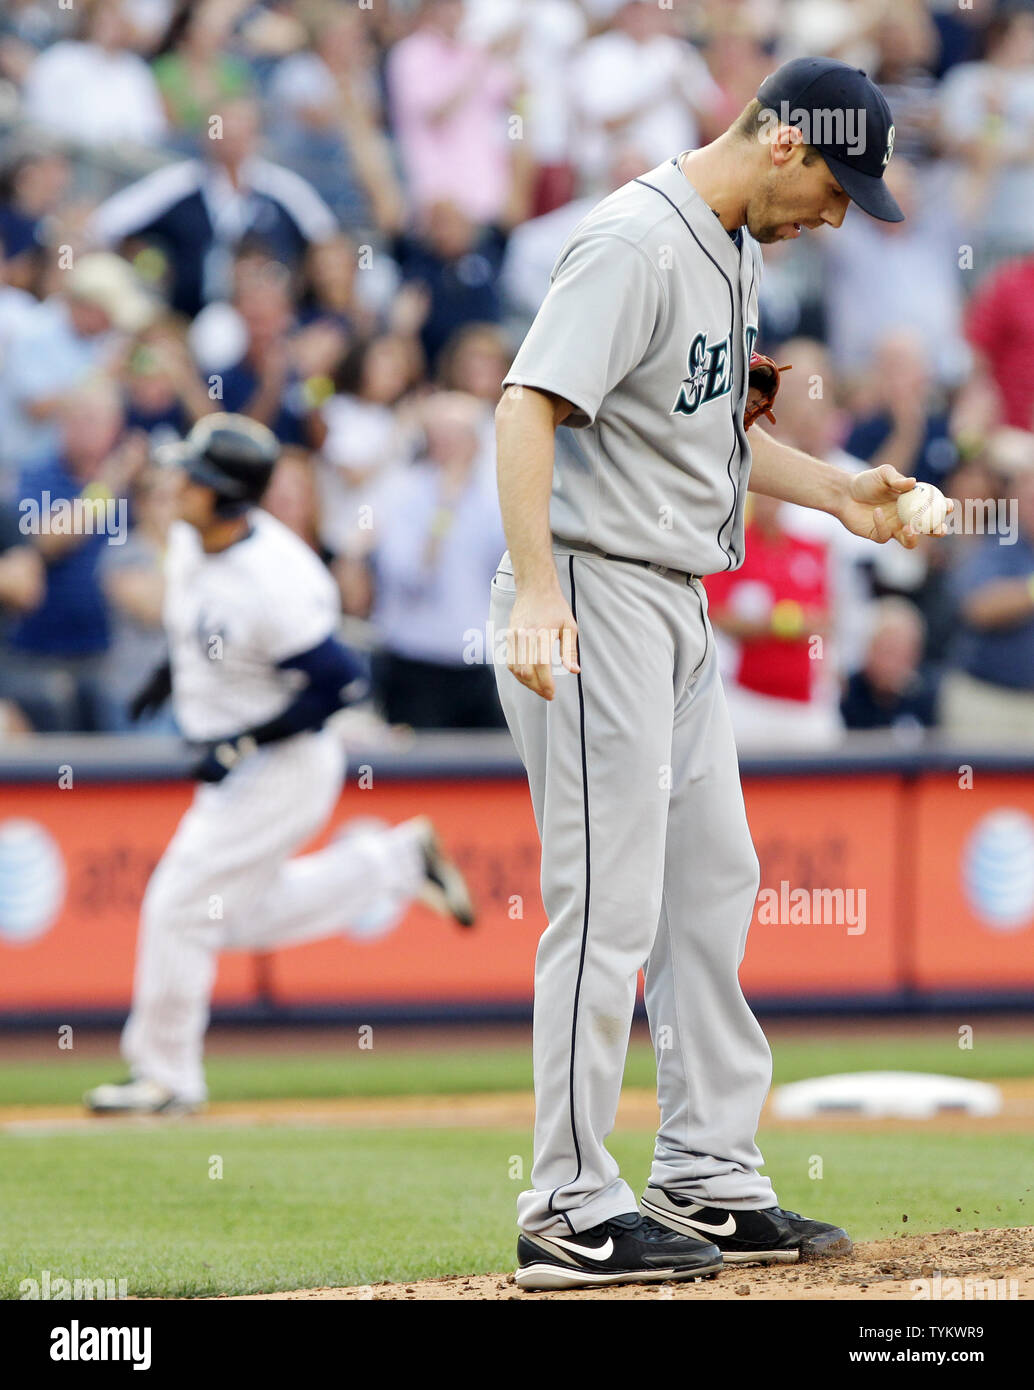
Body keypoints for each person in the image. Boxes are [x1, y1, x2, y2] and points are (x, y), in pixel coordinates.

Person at [491, 57, 947, 1291]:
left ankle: (704, 1171)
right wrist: (538, 591)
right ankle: (568, 1203)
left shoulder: (732, 247)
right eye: (836, 186)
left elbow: (710, 440)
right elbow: (523, 408)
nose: (838, 215)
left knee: (710, 883)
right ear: (784, 140)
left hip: (673, 593)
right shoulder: (637, 239)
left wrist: (842, 489)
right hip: (592, 587)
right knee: (607, 901)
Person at [84, 414, 475, 1116]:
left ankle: (167, 1076)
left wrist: (244, 741)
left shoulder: (274, 579)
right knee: (221, 916)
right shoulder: (189, 538)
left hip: (283, 765)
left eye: (193, 477)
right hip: (245, 757)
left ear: (225, 494)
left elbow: (341, 682)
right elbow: (201, 629)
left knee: (177, 906)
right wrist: (167, 681)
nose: (177, 485)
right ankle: (391, 864)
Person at [88, 96, 338, 319]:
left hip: (272, 323)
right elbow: (105, 225)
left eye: (240, 131)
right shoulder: (178, 185)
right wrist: (145, 265)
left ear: (255, 136)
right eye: (222, 131)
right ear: (206, 136)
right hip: (190, 317)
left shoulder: (284, 189)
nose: (231, 141)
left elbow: (328, 241)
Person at [840, 597, 938, 732]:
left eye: (903, 652)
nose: (894, 662)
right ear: (868, 649)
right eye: (888, 650)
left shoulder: (926, 697)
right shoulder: (845, 693)